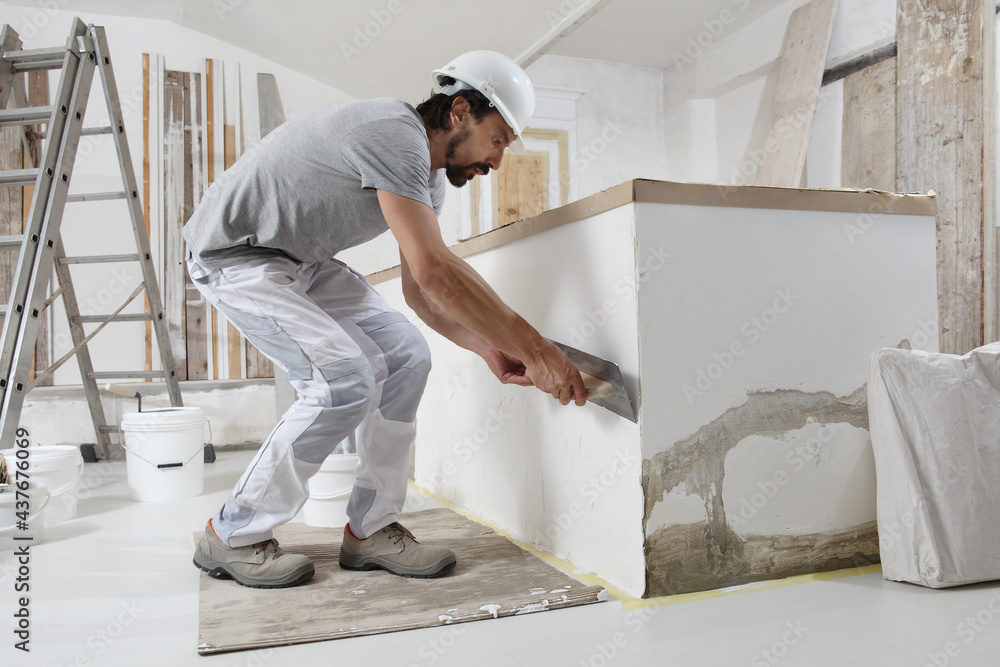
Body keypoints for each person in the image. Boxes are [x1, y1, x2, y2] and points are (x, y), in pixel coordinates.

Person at [185, 50, 587, 588]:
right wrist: (537, 351)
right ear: (460, 111)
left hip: (299, 260)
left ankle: (371, 528)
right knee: (341, 381)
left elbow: (422, 294)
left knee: (406, 355)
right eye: (497, 140)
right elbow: (436, 272)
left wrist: (489, 348)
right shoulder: (394, 133)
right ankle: (232, 532)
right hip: (234, 256)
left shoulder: (428, 178)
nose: (496, 163)